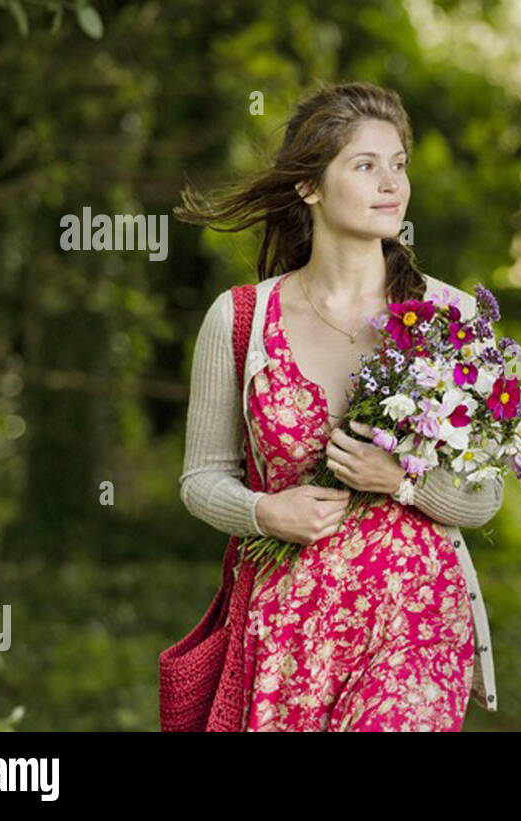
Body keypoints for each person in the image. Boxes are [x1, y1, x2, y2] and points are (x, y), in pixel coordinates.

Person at [175, 81, 502, 731]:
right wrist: (264, 511)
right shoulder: (241, 319)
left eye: (398, 164)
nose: (392, 182)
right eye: (365, 164)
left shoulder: (454, 320)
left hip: (414, 623)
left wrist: (403, 481)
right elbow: (199, 479)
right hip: (285, 635)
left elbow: (485, 494)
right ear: (310, 187)